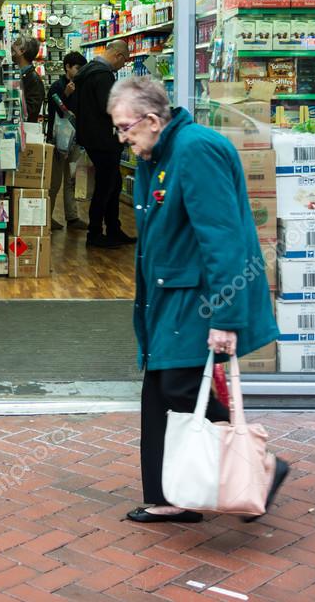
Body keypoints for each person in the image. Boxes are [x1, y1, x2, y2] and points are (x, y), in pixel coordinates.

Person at [108, 77, 287, 524]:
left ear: (152, 120)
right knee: (162, 391)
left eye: (125, 128)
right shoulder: (159, 154)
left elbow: (223, 238)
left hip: (199, 299)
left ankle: (258, 470)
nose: (122, 138)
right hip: (172, 296)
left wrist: (225, 315)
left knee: (180, 387)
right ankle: (172, 495)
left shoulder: (195, 151)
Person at [73, 40, 134, 248]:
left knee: (113, 183)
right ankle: (96, 233)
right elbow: (108, 107)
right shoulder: (103, 75)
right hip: (103, 139)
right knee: (106, 186)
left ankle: (113, 229)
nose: (123, 65)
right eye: (124, 61)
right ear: (117, 55)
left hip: (91, 136)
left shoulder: (87, 71)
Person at [46, 51, 87, 231]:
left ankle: (72, 217)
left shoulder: (81, 86)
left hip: (75, 140)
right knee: (54, 182)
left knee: (72, 179)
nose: (80, 72)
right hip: (58, 141)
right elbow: (59, 110)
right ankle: (46, 218)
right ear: (67, 67)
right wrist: (66, 94)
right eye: (77, 68)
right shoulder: (57, 86)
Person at [12, 36, 45, 123]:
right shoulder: (19, 75)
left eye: (15, 44)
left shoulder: (34, 81)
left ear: (22, 51)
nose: (12, 46)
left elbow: (30, 113)